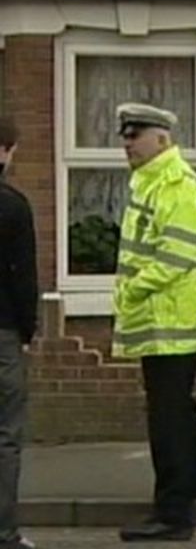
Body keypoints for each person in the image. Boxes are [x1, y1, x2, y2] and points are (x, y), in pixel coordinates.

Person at [112, 103, 196, 542]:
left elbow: (175, 257)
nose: (126, 144)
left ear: (162, 139)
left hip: (168, 318)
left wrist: (132, 290)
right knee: (177, 406)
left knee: (166, 418)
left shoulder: (175, 186)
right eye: (124, 136)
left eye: (134, 135)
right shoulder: (152, 183)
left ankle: (174, 513)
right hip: (164, 317)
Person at [0, 117, 39, 549]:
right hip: (2, 331)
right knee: (5, 436)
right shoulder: (12, 205)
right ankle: (3, 533)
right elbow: (22, 278)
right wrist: (28, 330)